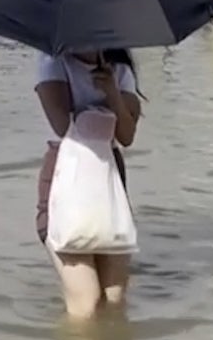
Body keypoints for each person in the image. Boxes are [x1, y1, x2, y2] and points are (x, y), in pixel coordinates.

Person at [35, 49, 144, 319]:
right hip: (65, 180)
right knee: (86, 302)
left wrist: (113, 93)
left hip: (110, 181)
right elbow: (62, 125)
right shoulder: (53, 62)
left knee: (115, 299)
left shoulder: (120, 69)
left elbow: (127, 135)